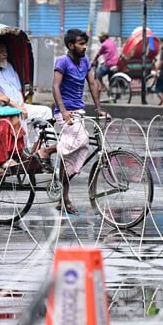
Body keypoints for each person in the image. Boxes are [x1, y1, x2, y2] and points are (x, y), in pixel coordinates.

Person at [52, 28, 106, 215]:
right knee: (82, 140)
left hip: (79, 112)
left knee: (70, 155)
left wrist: (99, 108)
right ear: (70, 45)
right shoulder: (62, 62)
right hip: (64, 113)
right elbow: (55, 86)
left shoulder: (84, 62)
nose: (84, 47)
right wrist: (64, 111)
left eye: (85, 43)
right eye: (81, 44)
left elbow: (92, 84)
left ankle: (63, 198)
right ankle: (54, 148)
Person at [0, 38, 54, 169]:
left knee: (45, 111)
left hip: (19, 104)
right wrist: (18, 107)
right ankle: (24, 151)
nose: (5, 54)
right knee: (19, 114)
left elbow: (18, 89)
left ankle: (42, 151)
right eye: (1, 52)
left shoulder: (9, 66)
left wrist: (22, 104)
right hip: (4, 107)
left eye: (6, 52)